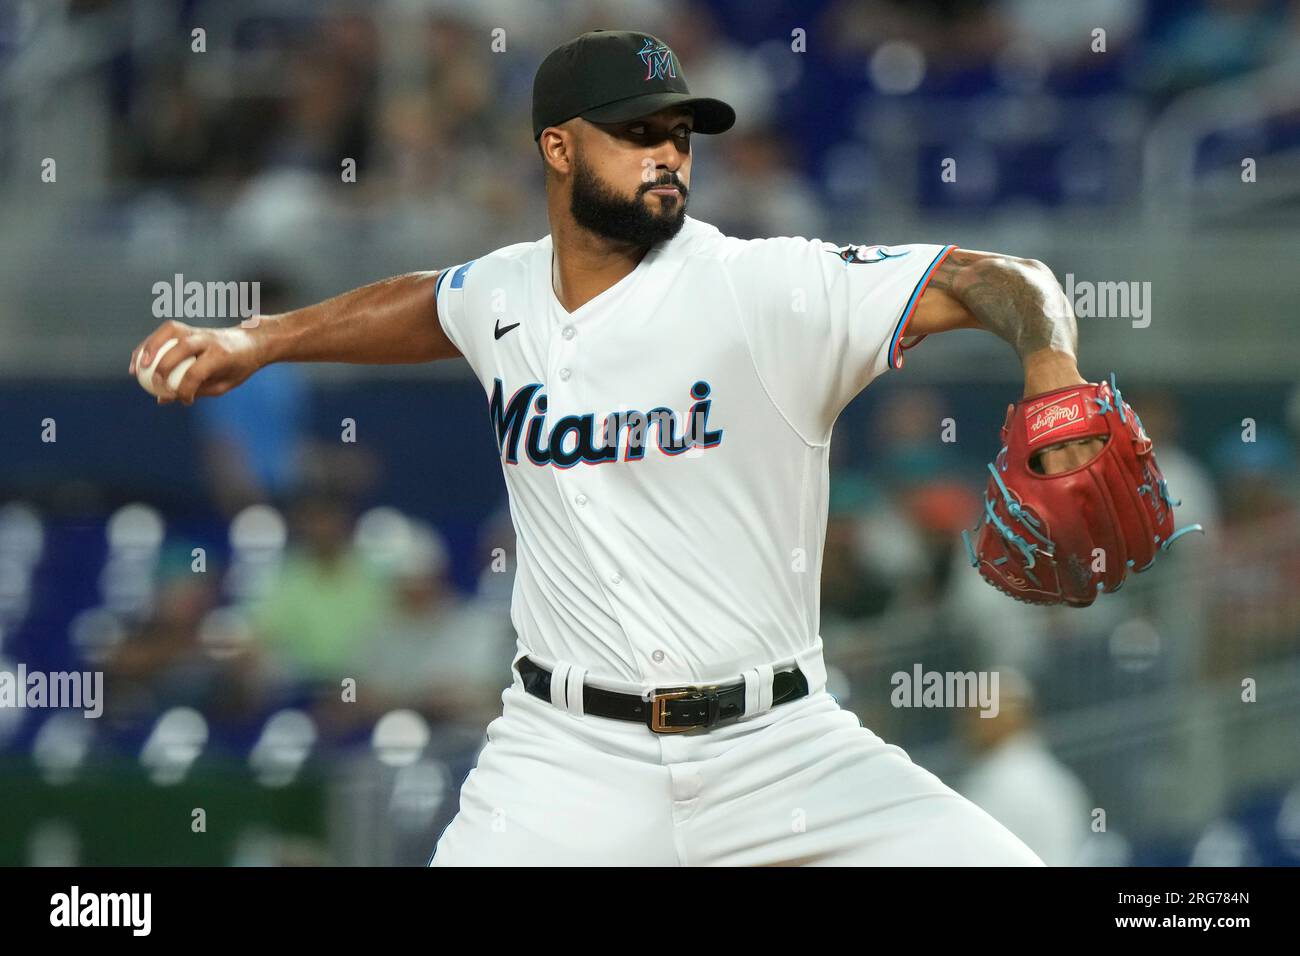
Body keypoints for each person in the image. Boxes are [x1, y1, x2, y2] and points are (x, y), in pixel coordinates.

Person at [128, 30, 1107, 866]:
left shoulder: (764, 288)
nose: (667, 154)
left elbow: (1000, 275)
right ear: (557, 146)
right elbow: (426, 302)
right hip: (566, 754)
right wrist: (260, 339)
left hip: (779, 743)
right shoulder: (503, 292)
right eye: (638, 132)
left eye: (679, 134)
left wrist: (1049, 373)